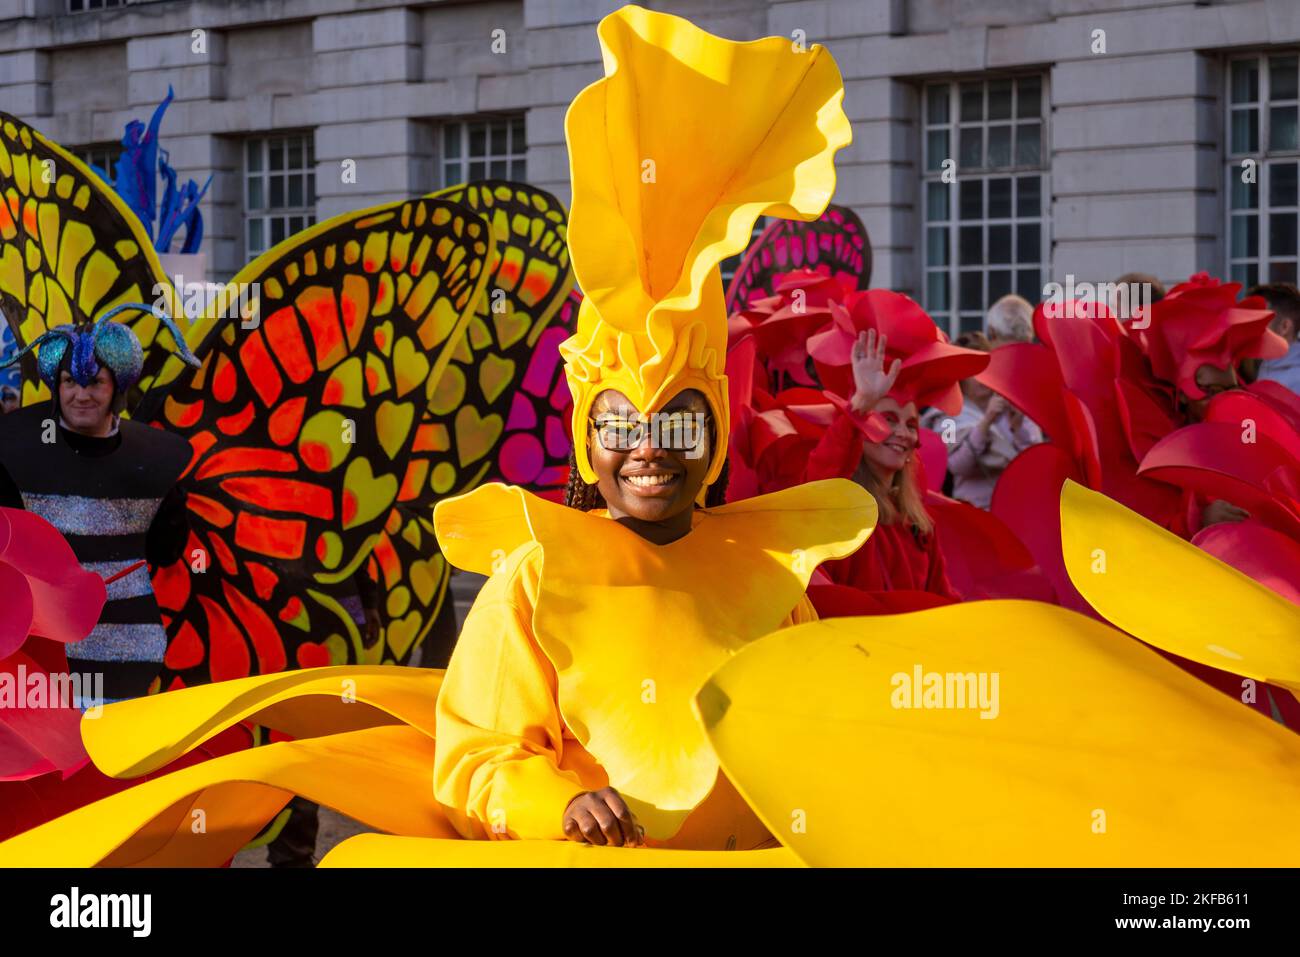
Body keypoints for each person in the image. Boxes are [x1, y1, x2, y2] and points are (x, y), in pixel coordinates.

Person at [0, 5, 874, 864]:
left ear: (714, 431)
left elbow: (818, 747)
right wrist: (560, 801)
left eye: (679, 420)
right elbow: (477, 759)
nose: (648, 446)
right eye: (620, 422)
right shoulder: (534, 582)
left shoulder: (774, 581)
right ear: (586, 434)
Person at [0, 304, 199, 706]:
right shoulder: (16, 450)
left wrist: (168, 500)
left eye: (96, 383)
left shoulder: (154, 459)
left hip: (128, 657)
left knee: (114, 765)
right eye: (71, 381)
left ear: (117, 389)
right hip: (40, 663)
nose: (82, 394)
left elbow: (167, 551)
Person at [943, 332, 1042, 509]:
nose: (981, 378)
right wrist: (985, 424)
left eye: (985, 369)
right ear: (960, 378)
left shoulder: (1013, 404)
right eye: (973, 371)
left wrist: (1018, 428)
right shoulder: (946, 418)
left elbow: (1037, 462)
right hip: (972, 512)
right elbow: (955, 466)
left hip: (1016, 509)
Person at [1249, 281, 1300, 394]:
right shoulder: (1266, 365)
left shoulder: (1297, 380)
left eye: (1259, 320)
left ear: (1285, 326)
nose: (1250, 328)